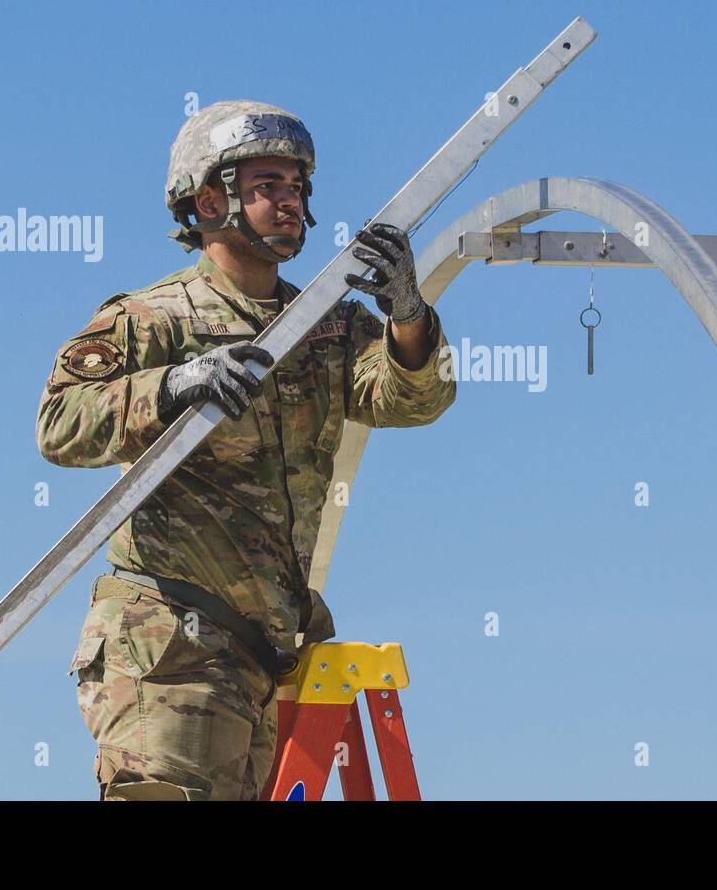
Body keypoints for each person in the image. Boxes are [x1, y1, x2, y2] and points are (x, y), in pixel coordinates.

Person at [36, 100, 457, 800]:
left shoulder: (323, 325)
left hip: (270, 655)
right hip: (170, 644)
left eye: (296, 187)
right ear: (209, 200)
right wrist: (173, 385)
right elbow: (60, 424)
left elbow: (413, 400)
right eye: (267, 186)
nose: (290, 202)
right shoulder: (151, 319)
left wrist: (408, 315)